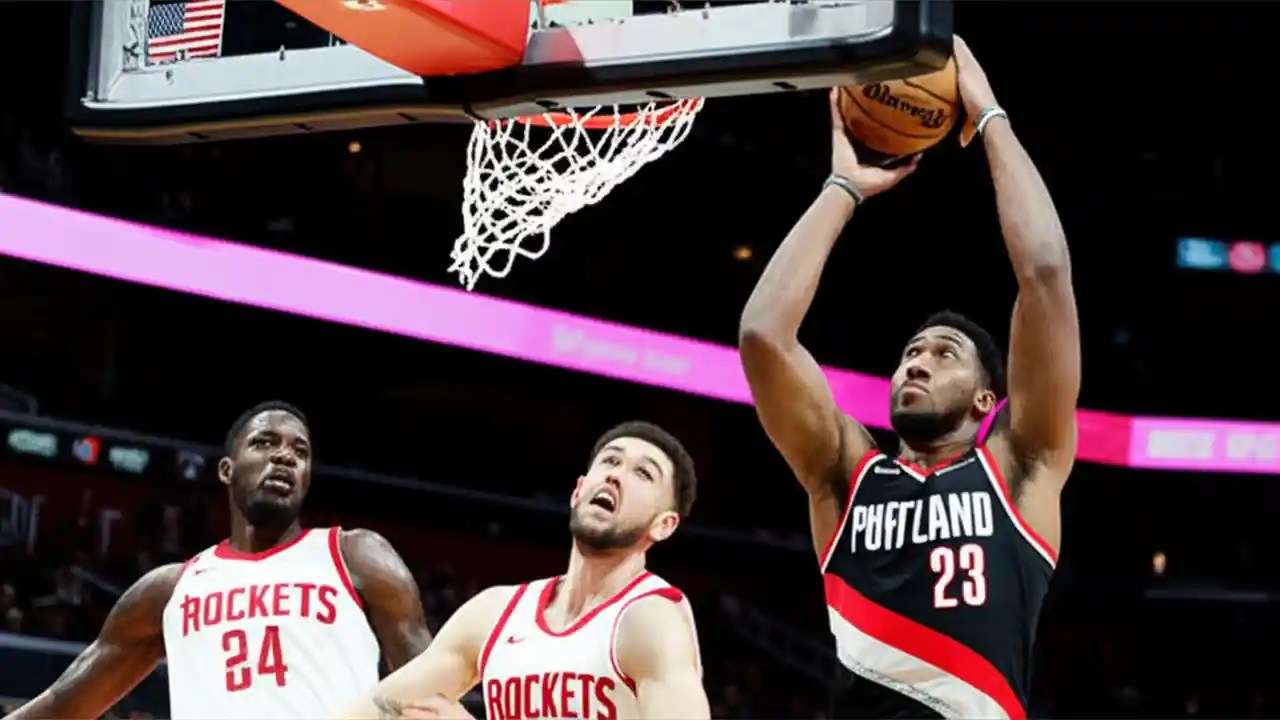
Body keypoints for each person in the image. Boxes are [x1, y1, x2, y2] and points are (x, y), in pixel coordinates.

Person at [738, 36, 1079, 720]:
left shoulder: (1019, 467)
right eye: (909, 353)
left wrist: (988, 116)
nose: (916, 361)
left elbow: (1043, 274)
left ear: (988, 397)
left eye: (944, 353)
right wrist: (842, 189)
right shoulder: (846, 473)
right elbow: (762, 336)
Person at [6, 401, 433, 720]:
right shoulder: (169, 590)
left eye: (299, 451)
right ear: (227, 470)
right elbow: (63, 705)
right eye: (264, 443)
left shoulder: (355, 555)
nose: (284, 456)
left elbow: (432, 691)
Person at [336, 421, 708, 720]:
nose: (616, 476)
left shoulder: (650, 619)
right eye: (610, 461)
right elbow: (379, 707)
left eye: (643, 473)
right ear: (578, 491)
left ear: (664, 525)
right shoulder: (495, 612)